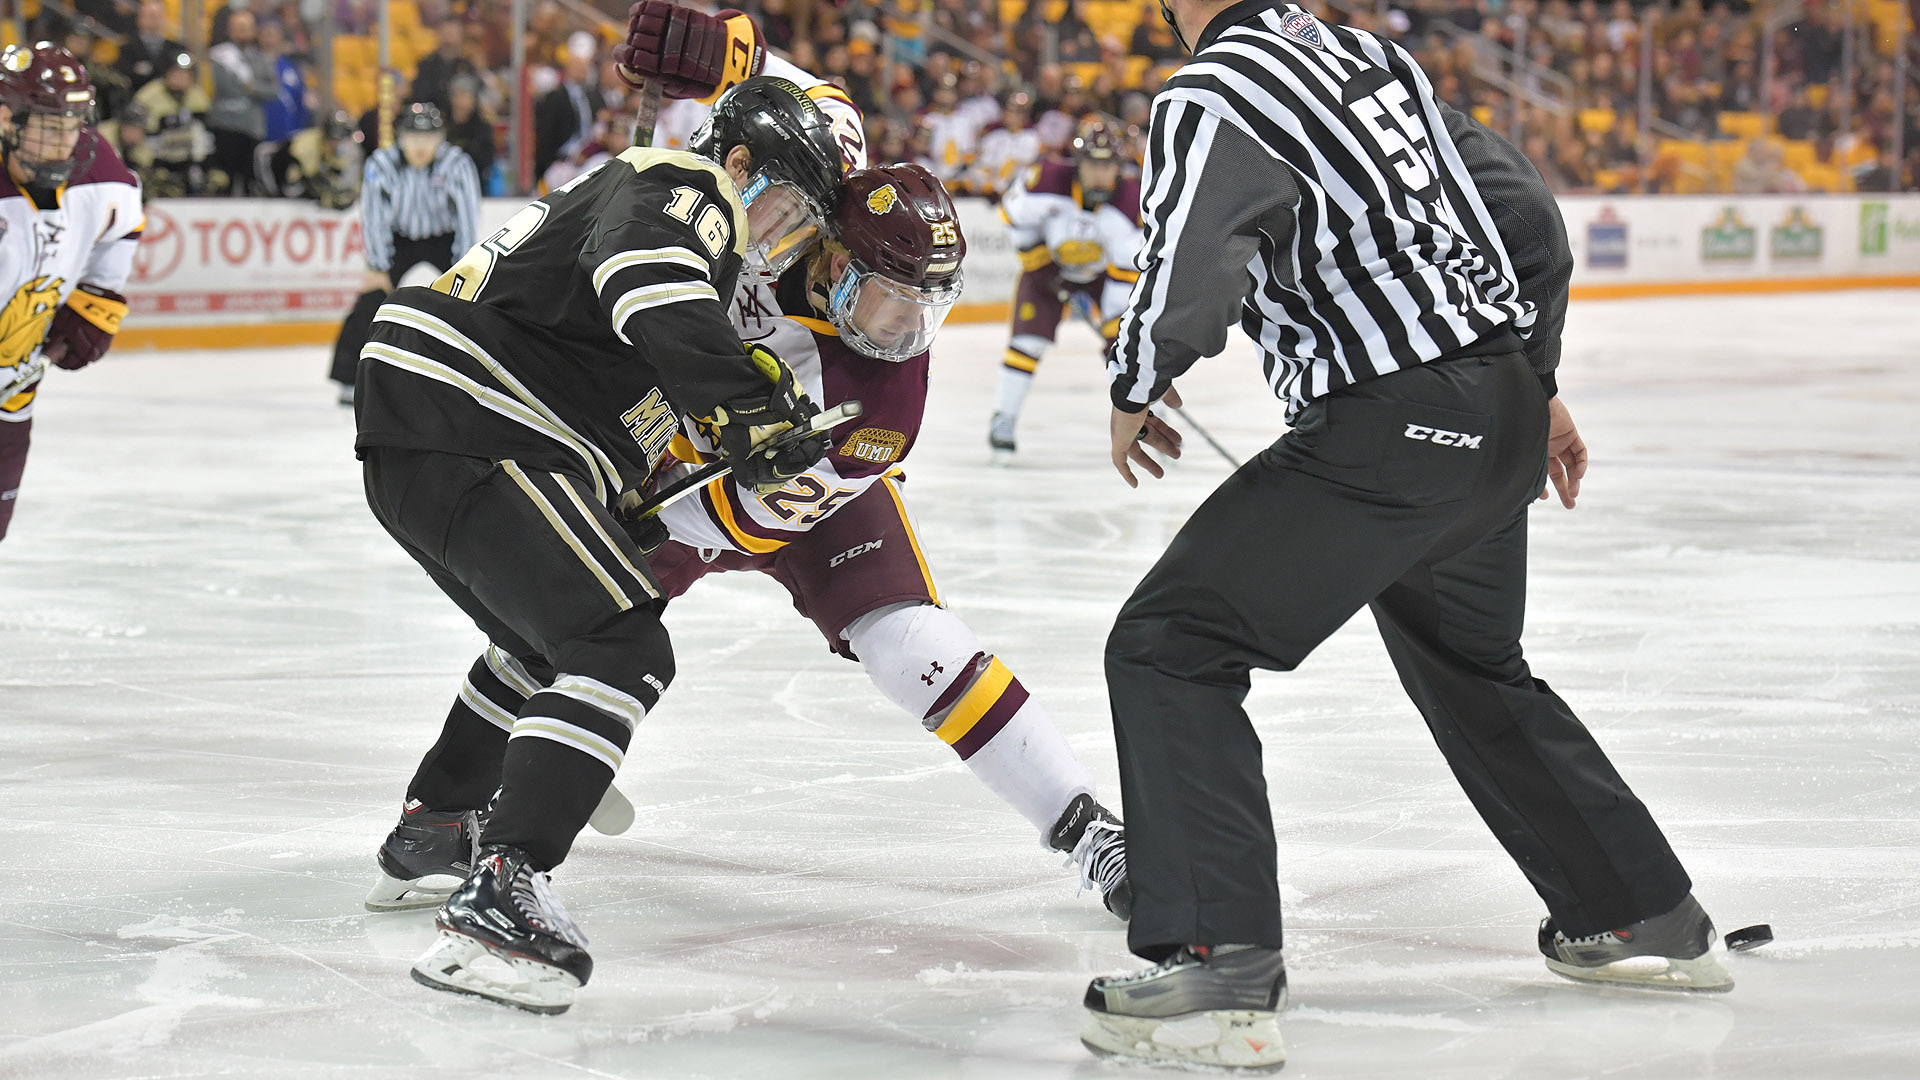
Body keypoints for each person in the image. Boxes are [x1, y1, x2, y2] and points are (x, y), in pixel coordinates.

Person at [1076, 1, 1731, 1069]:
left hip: (1396, 424)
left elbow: (1191, 255)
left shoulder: (1214, 85)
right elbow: (1524, 214)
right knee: (1473, 665)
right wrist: (1538, 383)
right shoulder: (1372, 58)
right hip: (1501, 407)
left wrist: (1137, 379)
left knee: (1172, 645)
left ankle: (1220, 961)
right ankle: (1639, 912)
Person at [447, 164, 1136, 921]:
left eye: (929, 306)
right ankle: (441, 814)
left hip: (781, 500)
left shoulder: (887, 400)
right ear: (838, 262)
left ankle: (1087, 828)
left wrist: (639, 516)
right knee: (544, 632)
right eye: (897, 300)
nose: (910, 330)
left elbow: (752, 517)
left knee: (912, 643)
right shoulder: (746, 242)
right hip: (669, 464)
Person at [358, 76, 844, 1014]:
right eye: (782, 204)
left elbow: (610, 370)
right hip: (476, 408)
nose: (779, 235)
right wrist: (745, 400)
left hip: (444, 414)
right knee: (621, 644)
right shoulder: (685, 183)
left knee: (547, 639)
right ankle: (504, 887)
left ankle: (438, 826)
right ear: (739, 163)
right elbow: (644, 273)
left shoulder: (659, 216)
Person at [0, 43, 143, 542]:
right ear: (5, 118)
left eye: (72, 125)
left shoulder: (97, 168)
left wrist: (95, 301)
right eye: (48, 126)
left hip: (12, 389)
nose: (65, 141)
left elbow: (124, 225)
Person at [987, 117, 1142, 463]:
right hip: (1048, 269)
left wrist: (1115, 319)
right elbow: (1012, 217)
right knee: (1027, 343)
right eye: (1093, 164)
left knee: (1129, 346)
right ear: (1078, 163)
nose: (1101, 175)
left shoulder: (1132, 200)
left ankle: (1150, 418)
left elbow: (1126, 267)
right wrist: (1038, 263)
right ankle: (1004, 418)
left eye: (1109, 166)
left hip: (1103, 276)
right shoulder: (1048, 179)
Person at [328, 103, 480, 406]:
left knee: (473, 300)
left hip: (444, 237)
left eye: (429, 137)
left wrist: (463, 265)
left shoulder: (457, 163)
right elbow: (373, 217)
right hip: (400, 239)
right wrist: (378, 264)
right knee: (371, 298)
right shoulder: (382, 164)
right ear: (400, 137)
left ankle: (477, 374)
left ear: (441, 138)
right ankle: (348, 377)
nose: (421, 145)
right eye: (413, 137)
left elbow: (467, 216)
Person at [205, 8, 276, 194]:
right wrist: (254, 88)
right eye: (239, 28)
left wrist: (251, 87)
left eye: (247, 28)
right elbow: (225, 88)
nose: (244, 32)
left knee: (250, 183)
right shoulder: (220, 56)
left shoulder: (261, 58)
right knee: (224, 181)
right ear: (230, 30)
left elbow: (274, 91)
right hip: (226, 127)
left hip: (253, 128)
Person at [126, 50, 214, 197]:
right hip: (154, 158)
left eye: (185, 75)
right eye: (176, 74)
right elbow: (137, 133)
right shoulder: (148, 95)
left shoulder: (197, 96)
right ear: (166, 75)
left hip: (185, 160)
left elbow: (205, 133)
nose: (180, 79)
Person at [532, 31, 603, 181]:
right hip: (562, 160)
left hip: (590, 157)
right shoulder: (555, 96)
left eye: (584, 65)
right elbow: (547, 134)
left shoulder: (594, 96)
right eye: (577, 64)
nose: (581, 69)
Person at [255, 108, 360, 208]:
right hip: (271, 167)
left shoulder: (333, 149)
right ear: (327, 136)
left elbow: (337, 176)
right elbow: (294, 183)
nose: (337, 144)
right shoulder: (306, 147)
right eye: (334, 140)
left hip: (293, 169)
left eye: (340, 140)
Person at [115, 0, 186, 95]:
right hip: (136, 97)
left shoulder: (177, 48)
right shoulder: (127, 48)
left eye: (158, 16)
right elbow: (122, 76)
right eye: (151, 16)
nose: (155, 20)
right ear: (140, 18)